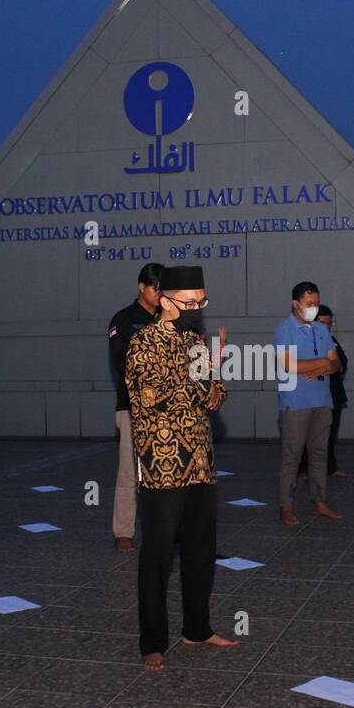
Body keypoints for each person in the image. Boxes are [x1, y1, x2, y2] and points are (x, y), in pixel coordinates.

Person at [125, 265, 236, 669]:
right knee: (157, 555)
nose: (196, 308)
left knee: (201, 551)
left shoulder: (195, 342)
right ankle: (152, 641)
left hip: (202, 461)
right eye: (189, 302)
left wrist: (212, 389)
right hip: (164, 463)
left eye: (201, 301)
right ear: (165, 300)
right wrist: (196, 384)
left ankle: (198, 629)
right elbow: (150, 396)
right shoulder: (143, 342)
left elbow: (215, 392)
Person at [273, 282, 343, 526]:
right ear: (296, 304)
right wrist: (323, 362)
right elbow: (290, 366)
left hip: (322, 402)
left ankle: (320, 502)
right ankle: (286, 506)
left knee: (319, 455)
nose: (314, 308)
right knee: (292, 457)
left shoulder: (321, 330)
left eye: (316, 303)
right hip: (295, 404)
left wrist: (326, 364)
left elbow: (337, 365)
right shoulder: (284, 330)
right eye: (309, 304)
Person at [107, 263, 163, 553]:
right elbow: (123, 362)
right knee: (130, 471)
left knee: (164, 473)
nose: (159, 293)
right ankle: (123, 532)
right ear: (142, 286)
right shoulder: (124, 319)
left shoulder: (170, 317)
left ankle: (163, 529)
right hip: (133, 407)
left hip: (167, 409)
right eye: (155, 287)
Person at [298, 304, 349, 479]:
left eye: (329, 323)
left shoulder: (332, 341)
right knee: (307, 436)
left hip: (333, 395)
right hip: (311, 396)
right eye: (323, 322)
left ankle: (330, 467)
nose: (326, 326)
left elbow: (342, 363)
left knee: (330, 433)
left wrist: (331, 365)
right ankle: (304, 470)